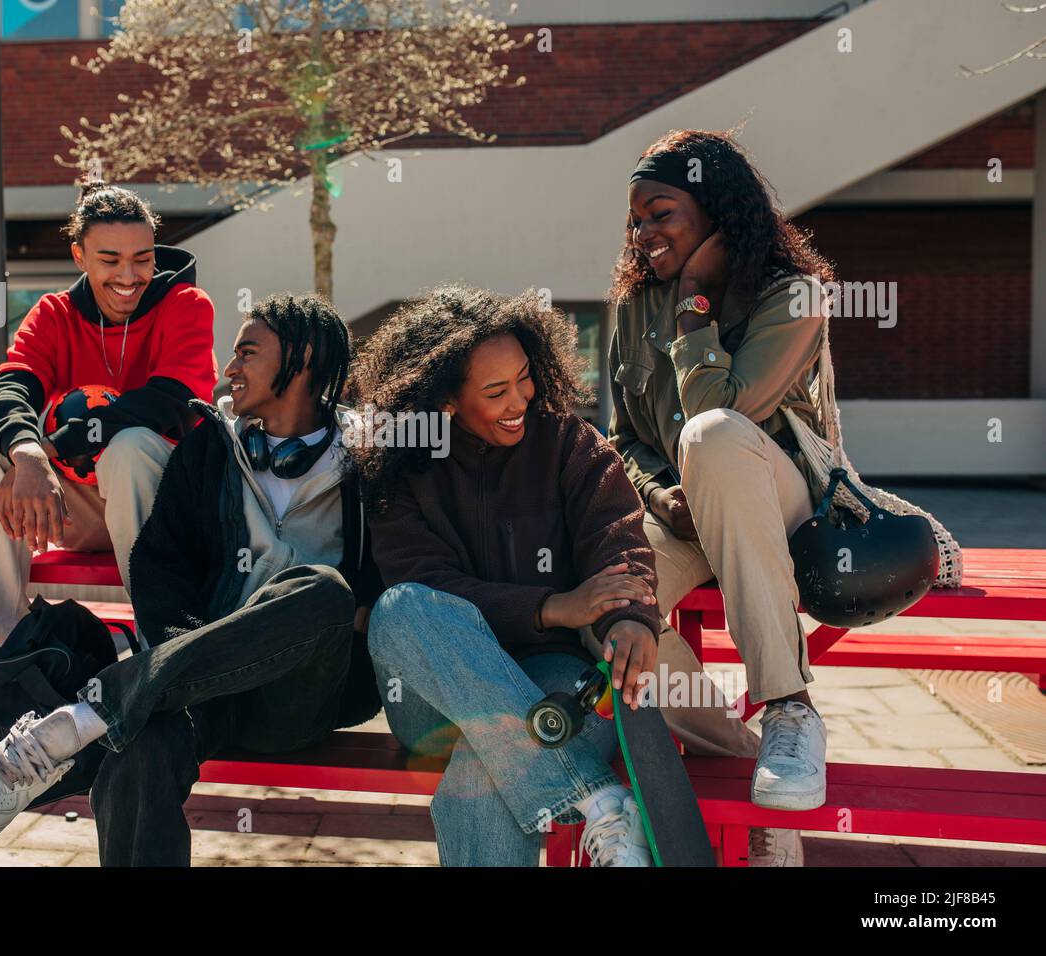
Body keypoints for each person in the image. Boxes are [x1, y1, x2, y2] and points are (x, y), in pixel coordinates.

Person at [0, 294, 382, 865]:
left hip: (301, 692)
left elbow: (394, 569)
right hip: (203, 684)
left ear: (306, 357)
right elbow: (161, 566)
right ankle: (102, 716)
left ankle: (80, 719)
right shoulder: (210, 447)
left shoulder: (371, 454)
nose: (229, 369)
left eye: (247, 353)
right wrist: (187, 648)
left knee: (322, 591)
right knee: (142, 740)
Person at [350, 284, 663, 867]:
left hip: (554, 680)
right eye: (496, 391)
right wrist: (550, 607)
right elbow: (429, 586)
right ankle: (594, 793)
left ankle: (586, 796)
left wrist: (631, 619)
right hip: (432, 696)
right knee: (400, 610)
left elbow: (617, 538)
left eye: (525, 376)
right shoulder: (399, 469)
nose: (521, 398)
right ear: (444, 401)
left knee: (489, 765)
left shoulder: (568, 443)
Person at [607, 129, 842, 864]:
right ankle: (742, 755)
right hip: (685, 518)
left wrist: (694, 307)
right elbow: (623, 440)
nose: (644, 232)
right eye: (636, 219)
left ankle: (789, 710)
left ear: (714, 208)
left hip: (781, 504)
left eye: (663, 213)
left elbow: (726, 409)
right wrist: (659, 494)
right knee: (596, 599)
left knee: (711, 436)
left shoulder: (791, 294)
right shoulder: (632, 309)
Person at [0, 180, 217, 650]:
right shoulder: (54, 314)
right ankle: (2, 649)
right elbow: (8, 390)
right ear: (79, 256)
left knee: (132, 444)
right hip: (69, 509)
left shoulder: (185, 305)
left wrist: (46, 451)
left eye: (142, 258)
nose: (130, 275)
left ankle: (159, 650)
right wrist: (24, 450)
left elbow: (171, 401)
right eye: (110, 260)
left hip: (163, 508)